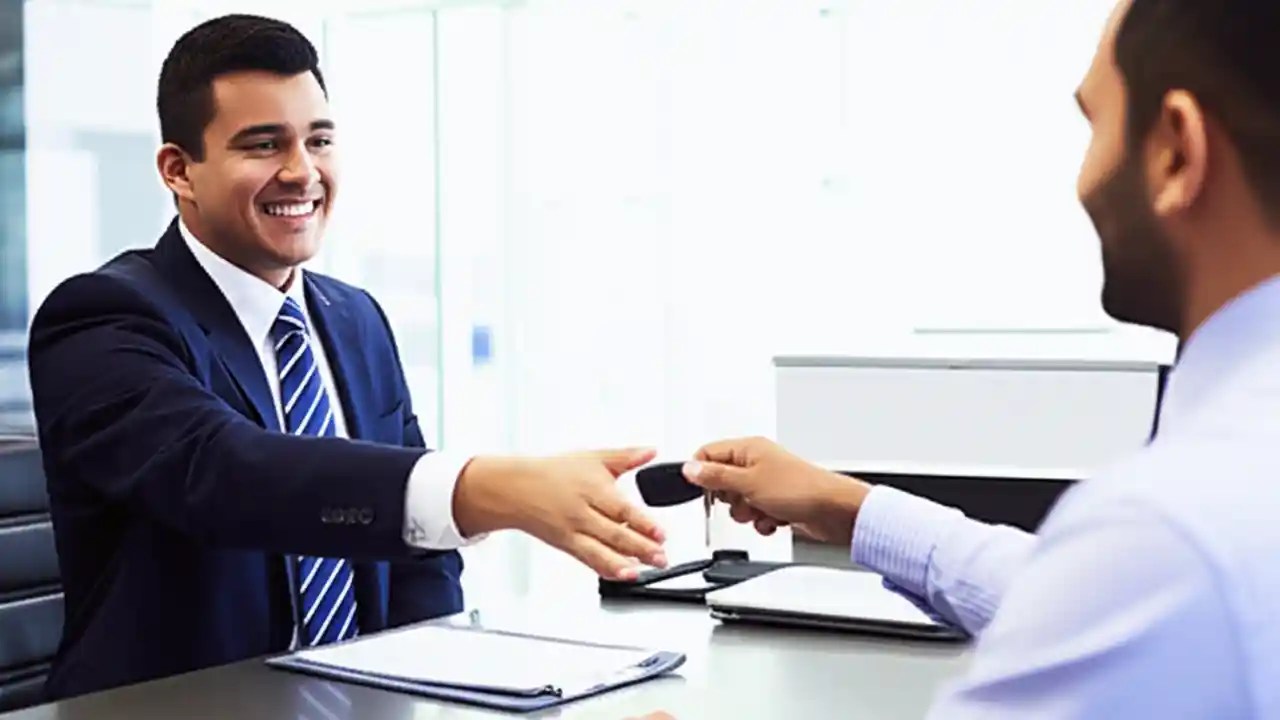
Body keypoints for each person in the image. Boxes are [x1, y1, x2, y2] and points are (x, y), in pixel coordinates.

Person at [643, 0, 1280, 716]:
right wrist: (849, 507)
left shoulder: (1172, 533)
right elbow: (1073, 596)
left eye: (1094, 124)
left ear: (1176, 152)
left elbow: (1122, 586)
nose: (1084, 179)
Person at [26, 14, 666, 701]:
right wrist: (490, 490)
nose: (302, 172)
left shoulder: (353, 317)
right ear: (179, 170)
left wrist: (447, 691)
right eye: (263, 145)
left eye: (319, 140)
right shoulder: (103, 317)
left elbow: (420, 560)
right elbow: (222, 472)